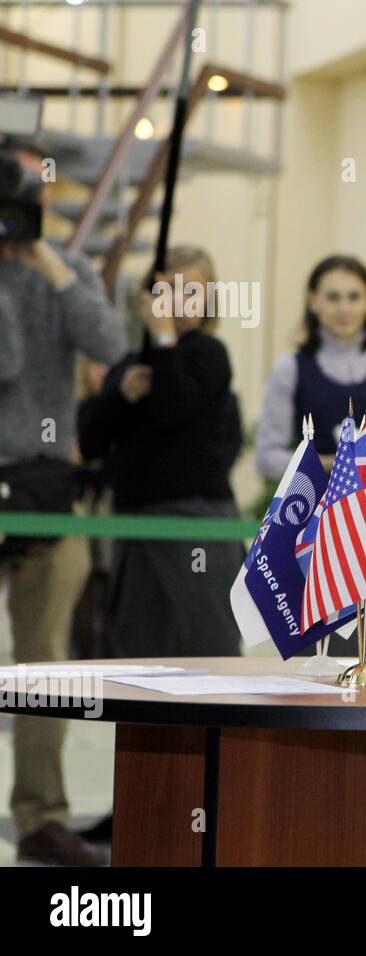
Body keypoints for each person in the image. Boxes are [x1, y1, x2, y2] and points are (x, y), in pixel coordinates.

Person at [0, 141, 124, 866]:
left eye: (31, 184)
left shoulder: (66, 269)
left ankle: (42, 812)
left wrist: (47, 266)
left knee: (44, 661)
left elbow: (109, 345)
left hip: (46, 489)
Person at [254, 254, 366, 654]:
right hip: (307, 532)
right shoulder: (291, 368)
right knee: (309, 659)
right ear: (313, 302)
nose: (344, 307)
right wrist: (327, 464)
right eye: (333, 297)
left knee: (359, 653)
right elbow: (266, 456)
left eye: (354, 296)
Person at [79, 246, 244, 659]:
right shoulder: (134, 363)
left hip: (195, 523)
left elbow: (173, 409)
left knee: (204, 642)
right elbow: (91, 442)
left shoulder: (208, 355)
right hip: (137, 525)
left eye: (191, 292)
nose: (177, 303)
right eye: (166, 290)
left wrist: (166, 338)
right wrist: (121, 394)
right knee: (139, 647)